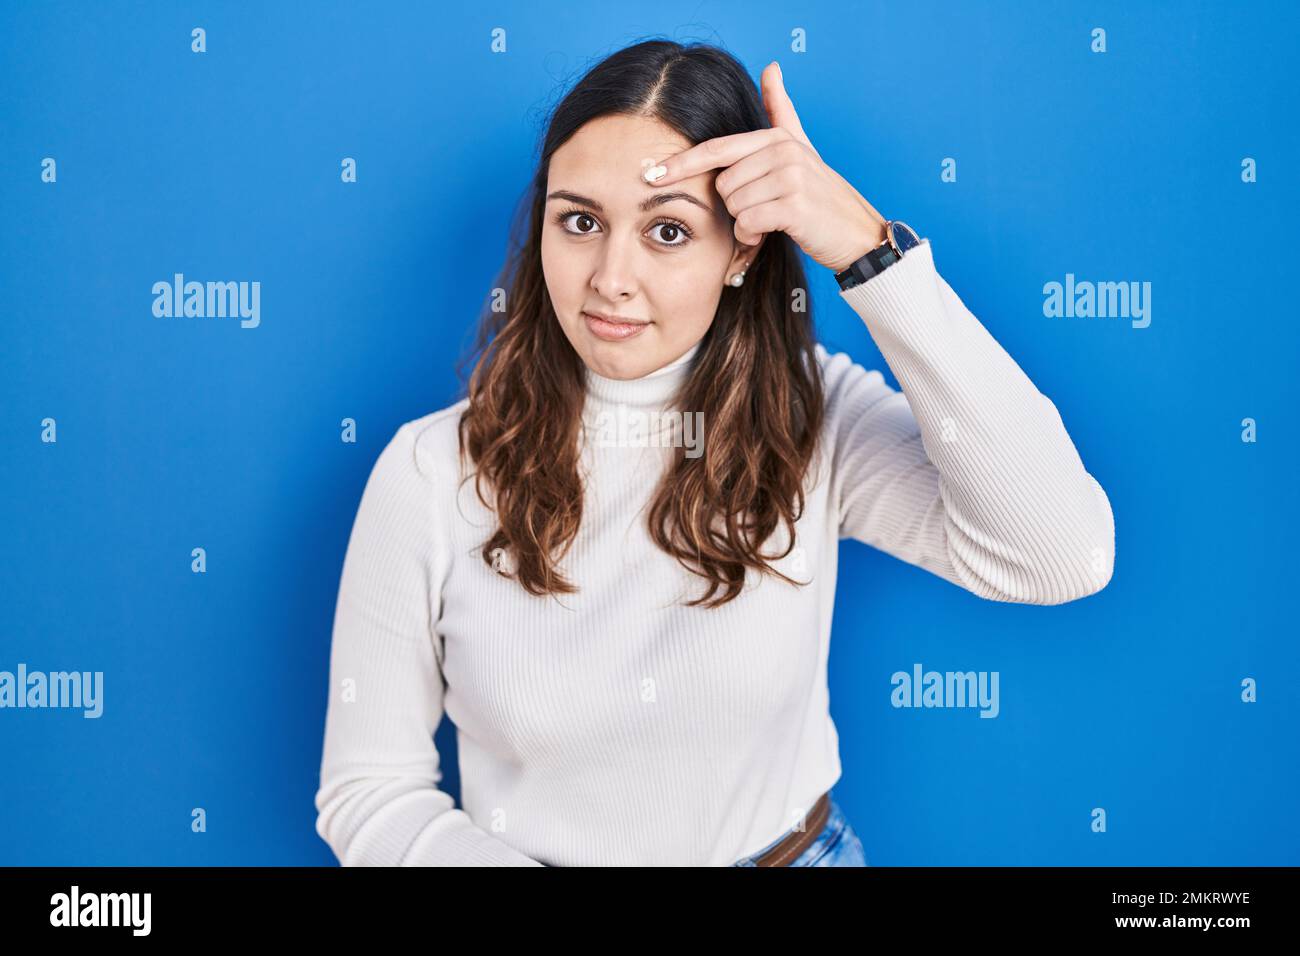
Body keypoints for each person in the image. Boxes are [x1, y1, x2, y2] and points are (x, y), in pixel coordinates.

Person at [313, 39, 1115, 867]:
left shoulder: (815, 416)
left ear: (741, 251)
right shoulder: (430, 472)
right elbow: (370, 791)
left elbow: (1060, 555)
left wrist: (872, 253)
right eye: (580, 221)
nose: (610, 278)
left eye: (667, 231)